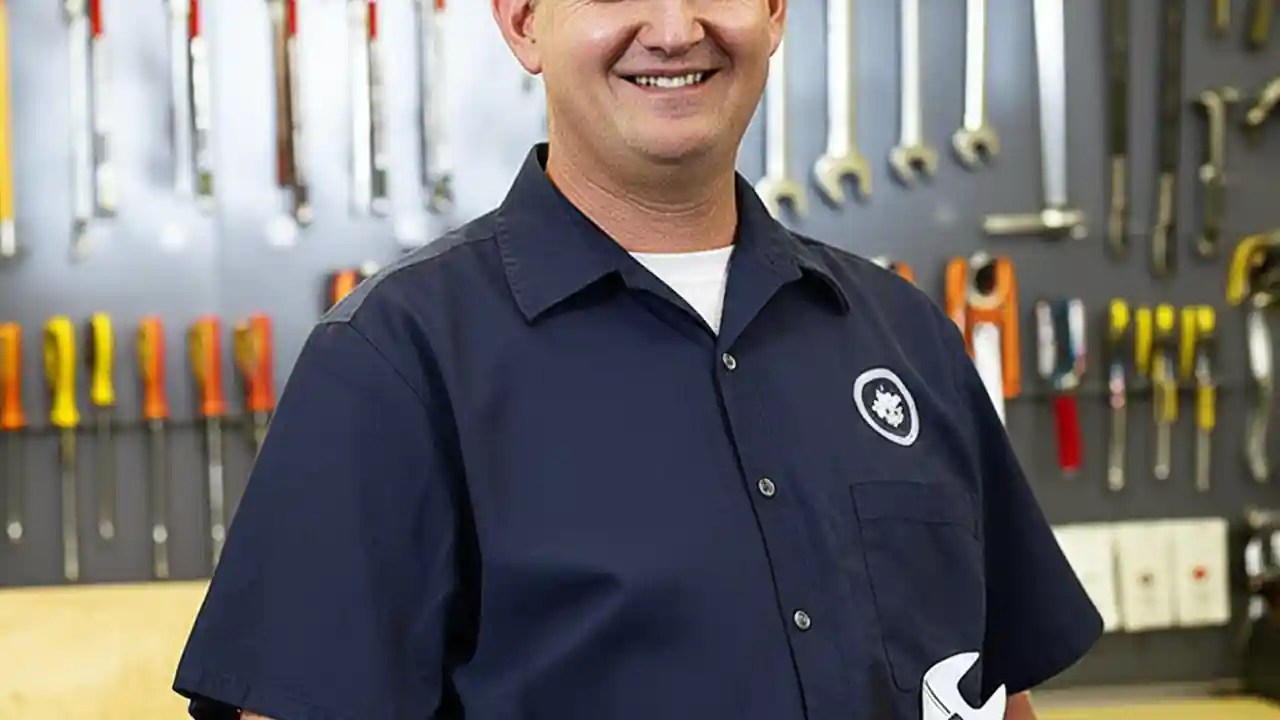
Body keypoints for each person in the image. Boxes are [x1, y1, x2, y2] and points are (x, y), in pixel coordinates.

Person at [172, 0, 1102, 718]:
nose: (672, 28)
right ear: (524, 20)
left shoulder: (906, 337)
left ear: (774, 11)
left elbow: (992, 686)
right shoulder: (393, 364)